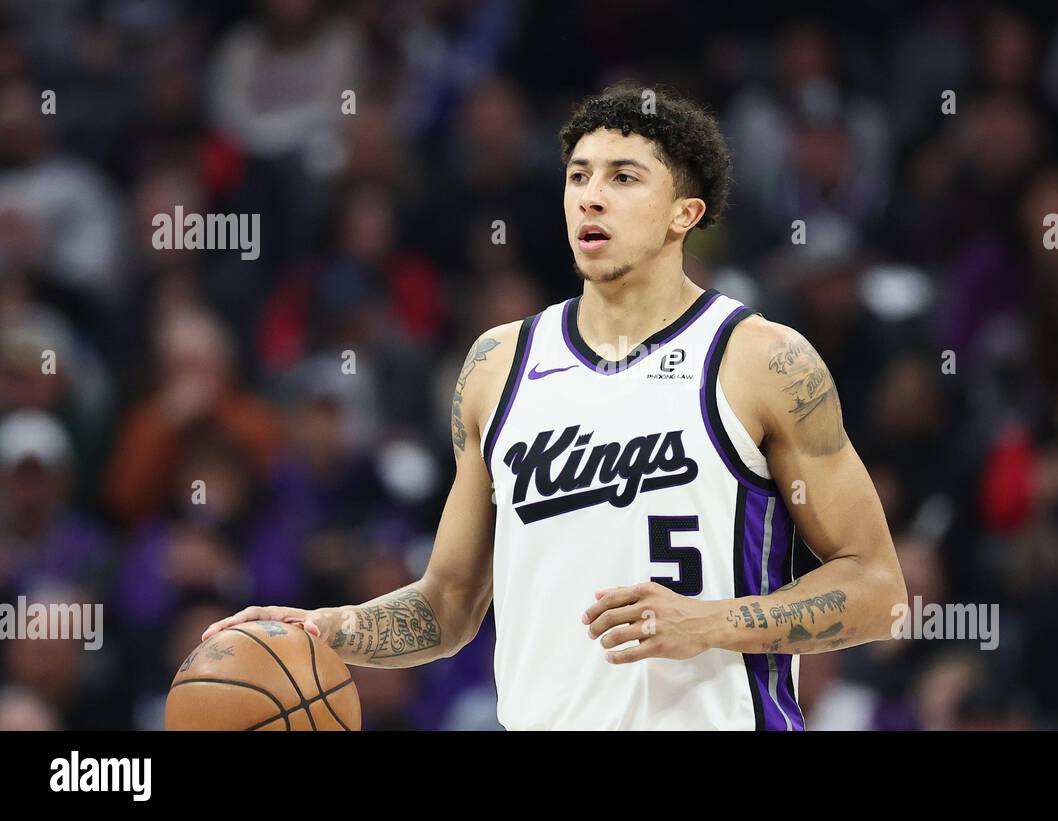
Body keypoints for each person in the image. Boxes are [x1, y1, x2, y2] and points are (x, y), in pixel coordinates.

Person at [204, 85, 907, 731]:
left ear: (683, 214)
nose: (590, 197)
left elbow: (878, 588)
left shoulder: (761, 359)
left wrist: (713, 622)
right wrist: (328, 628)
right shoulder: (497, 365)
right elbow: (449, 603)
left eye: (623, 177)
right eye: (578, 176)